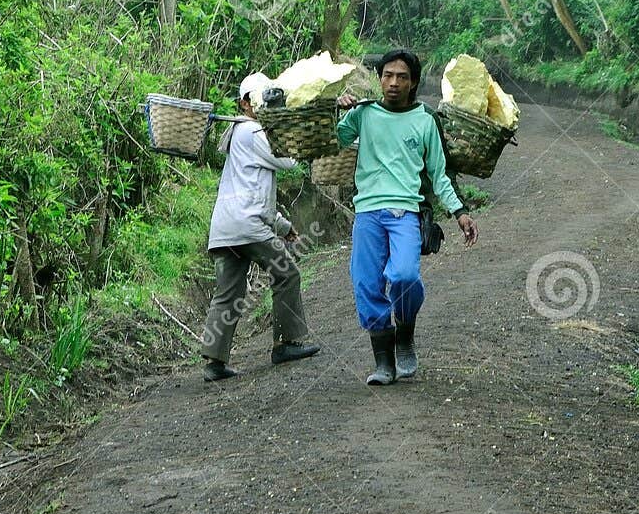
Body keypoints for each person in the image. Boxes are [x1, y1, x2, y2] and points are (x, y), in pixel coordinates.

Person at [335, 49, 479, 386]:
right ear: (379, 78)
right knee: (366, 284)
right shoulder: (363, 114)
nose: (393, 82)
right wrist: (335, 109)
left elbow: (439, 174)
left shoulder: (425, 120)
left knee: (404, 275)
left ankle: (406, 330)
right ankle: (383, 362)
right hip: (368, 211)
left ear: (413, 82)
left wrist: (460, 212)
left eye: (402, 76)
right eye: (387, 75)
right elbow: (331, 140)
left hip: (406, 212)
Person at [197, 72, 321, 382]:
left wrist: (282, 225)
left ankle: (214, 360)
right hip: (248, 225)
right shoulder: (252, 131)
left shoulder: (239, 134)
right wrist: (283, 126)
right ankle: (286, 343)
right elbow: (289, 161)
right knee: (287, 273)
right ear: (245, 104)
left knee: (229, 292)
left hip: (226, 228)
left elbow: (255, 193)